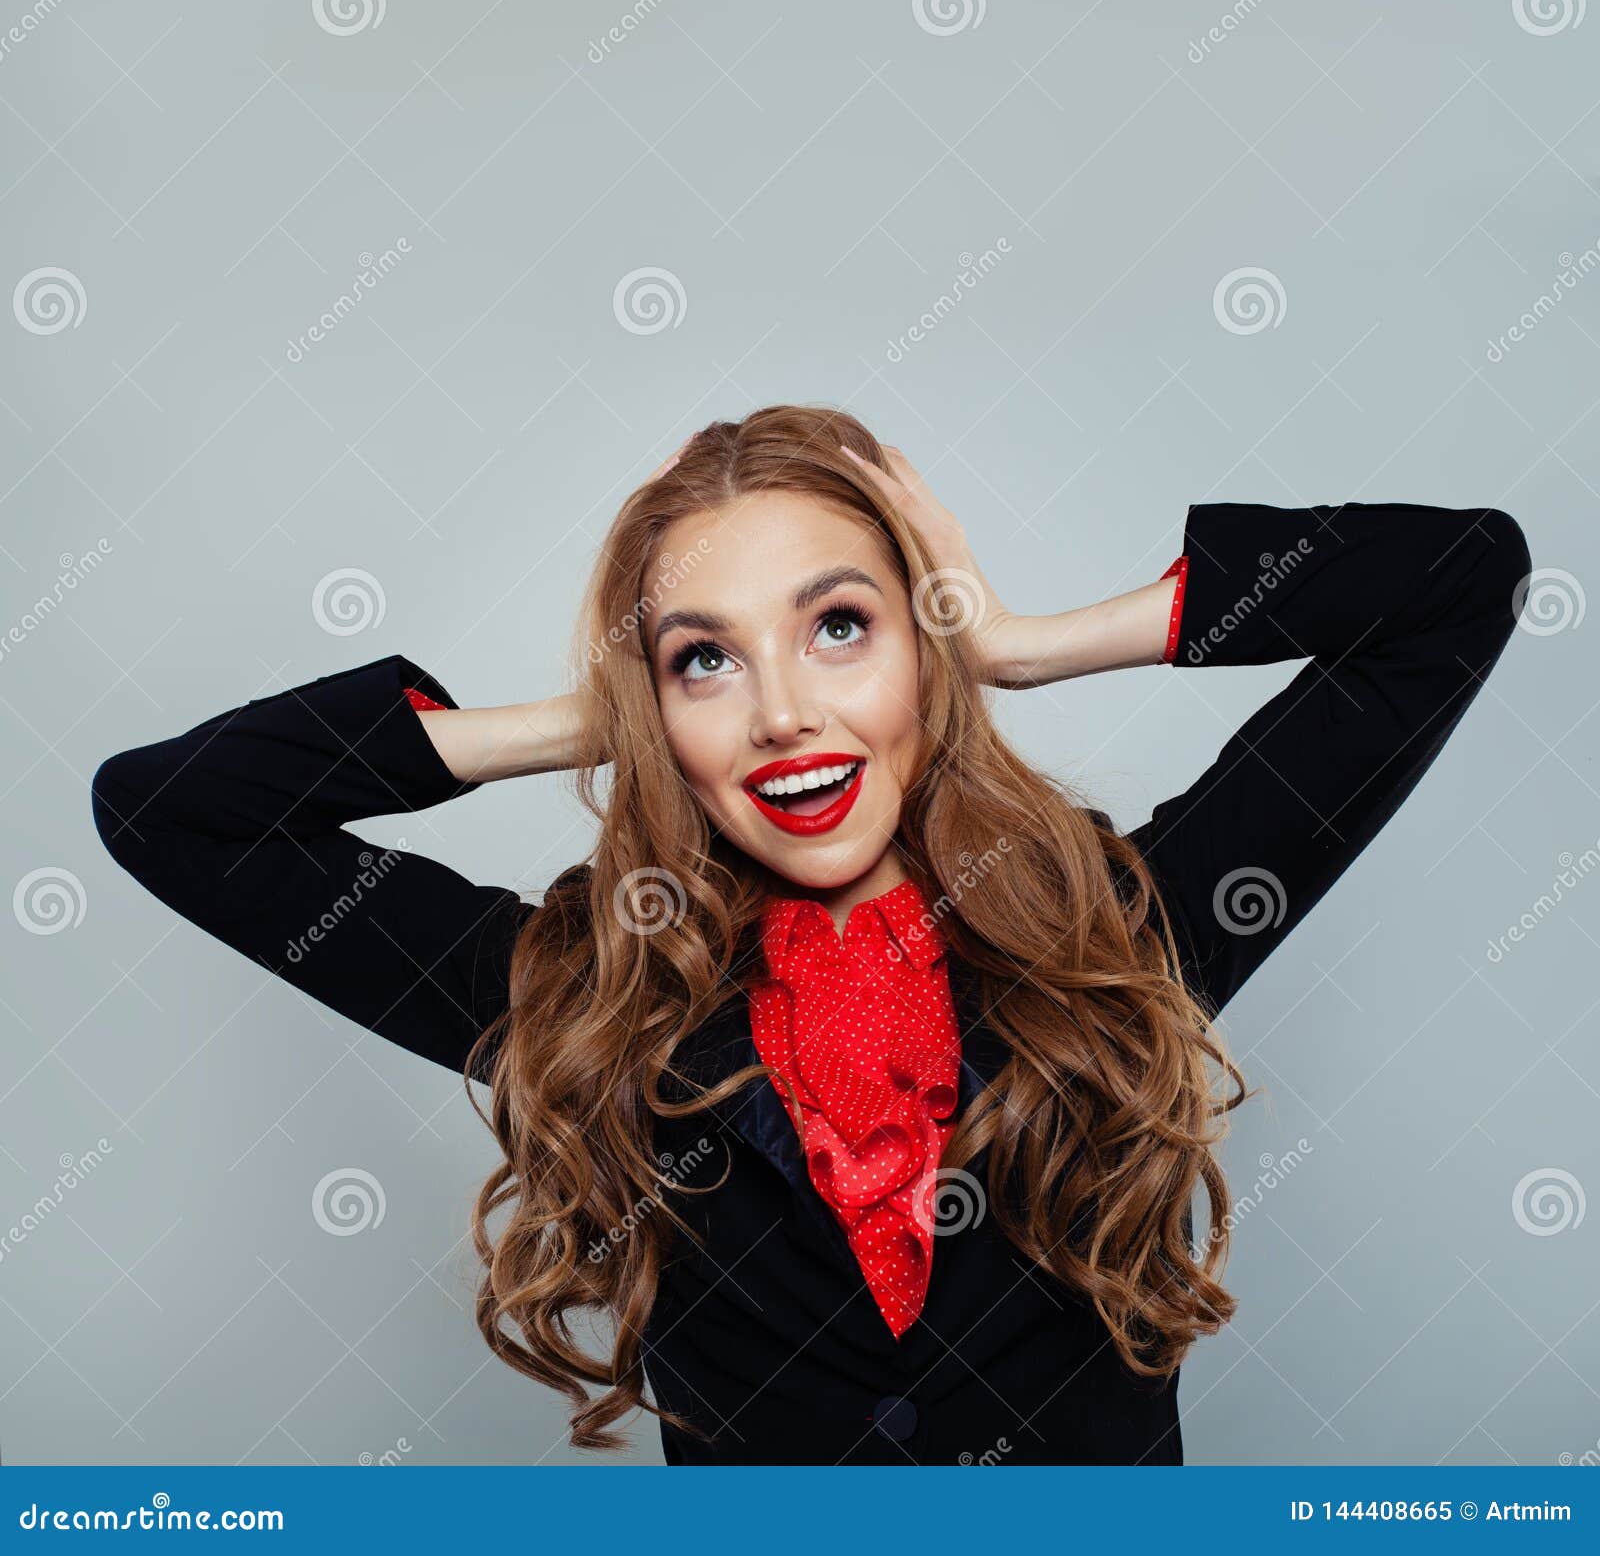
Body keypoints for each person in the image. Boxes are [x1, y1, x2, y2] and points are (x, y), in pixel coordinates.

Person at [90, 405, 1531, 1464]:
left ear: (925, 644)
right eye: (705, 657)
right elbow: (166, 816)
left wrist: (1024, 641)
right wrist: (590, 728)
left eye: (839, 625)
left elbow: (1454, 586)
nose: (782, 709)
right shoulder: (584, 997)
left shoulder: (1116, 936)